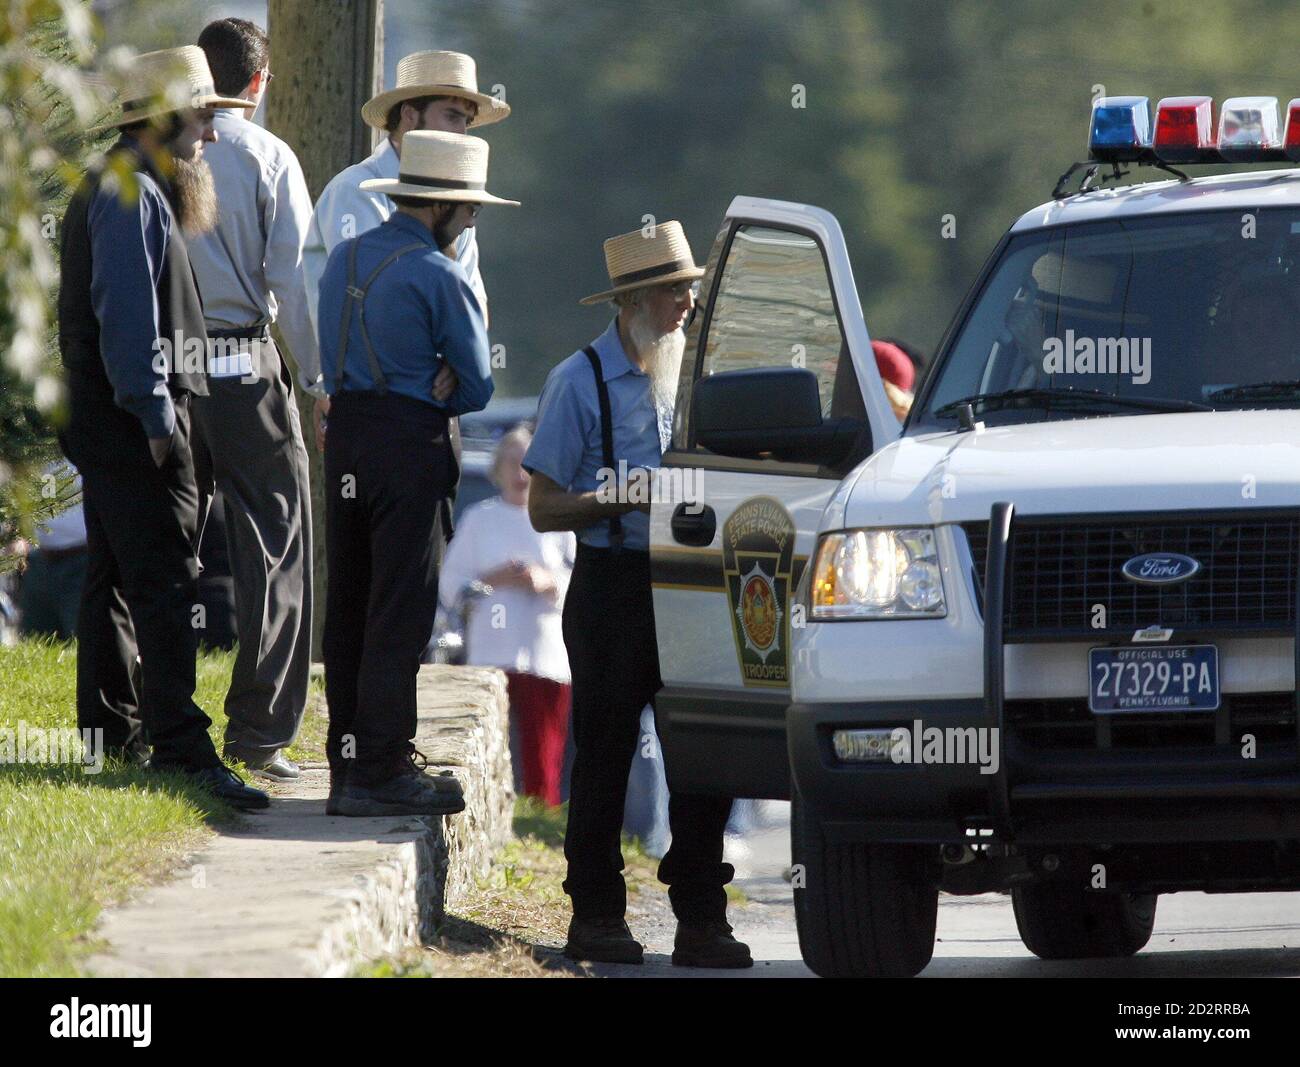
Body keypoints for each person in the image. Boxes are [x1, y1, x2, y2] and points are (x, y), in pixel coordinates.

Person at [525, 221, 752, 968]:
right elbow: (544, 506)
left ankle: (701, 915)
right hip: (613, 588)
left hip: (688, 584)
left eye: (689, 286)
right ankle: (595, 914)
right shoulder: (576, 380)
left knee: (703, 756)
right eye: (673, 289)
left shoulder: (689, 372)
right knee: (605, 755)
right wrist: (619, 496)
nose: (688, 300)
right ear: (633, 299)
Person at [57, 45, 268, 809]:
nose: (210, 134)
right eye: (205, 117)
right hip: (134, 421)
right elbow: (127, 322)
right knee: (168, 583)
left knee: (114, 577)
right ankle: (181, 749)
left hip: (113, 418)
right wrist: (156, 421)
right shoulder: (129, 194)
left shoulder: (125, 185)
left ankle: (109, 735)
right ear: (170, 116)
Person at [317, 131, 515, 817]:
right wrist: (442, 382)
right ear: (443, 209)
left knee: (349, 601)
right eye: (470, 211)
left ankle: (346, 762)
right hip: (407, 442)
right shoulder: (440, 273)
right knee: (398, 607)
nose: (472, 223)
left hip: (346, 439)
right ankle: (383, 764)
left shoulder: (342, 258)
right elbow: (479, 385)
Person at [185, 18, 316, 782]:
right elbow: (294, 282)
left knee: (170, 539)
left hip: (172, 361)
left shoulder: (164, 152)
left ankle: (146, 710)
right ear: (259, 84)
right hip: (242, 356)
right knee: (275, 540)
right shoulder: (268, 155)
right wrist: (321, 382)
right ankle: (260, 730)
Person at [303, 49, 509, 454]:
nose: (462, 133)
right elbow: (371, 315)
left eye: (466, 121)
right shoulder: (354, 189)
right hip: (373, 407)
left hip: (425, 412)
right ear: (410, 116)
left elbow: (471, 299)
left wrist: (456, 361)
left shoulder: (454, 199)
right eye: (452, 116)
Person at [438, 425, 574, 806]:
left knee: (543, 751)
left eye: (527, 465)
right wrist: (492, 580)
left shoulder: (559, 521)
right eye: (512, 463)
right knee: (492, 744)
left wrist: (547, 582)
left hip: (545, 657)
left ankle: (540, 819)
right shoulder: (479, 519)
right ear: (498, 469)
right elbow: (451, 584)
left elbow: (579, 583)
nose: (519, 474)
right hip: (492, 656)